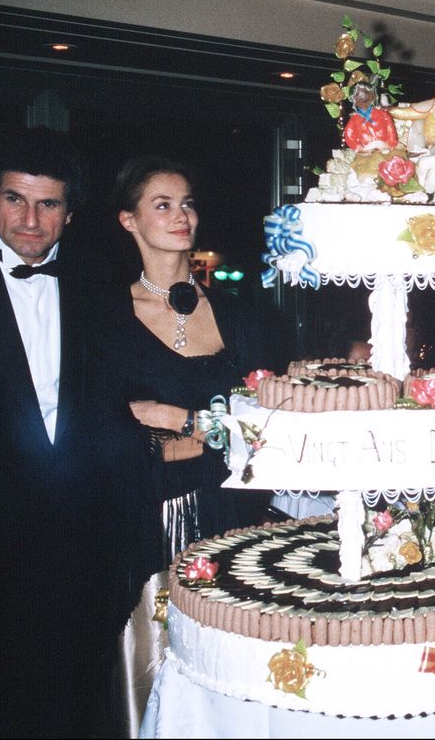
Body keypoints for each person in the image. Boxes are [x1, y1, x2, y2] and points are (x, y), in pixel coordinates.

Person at [0, 129, 147, 737]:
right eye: (15, 200)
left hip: (83, 532)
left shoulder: (97, 279)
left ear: (69, 212)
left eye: (49, 204)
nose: (31, 220)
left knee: (79, 699)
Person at [107, 156, 287, 734]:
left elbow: (266, 422)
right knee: (155, 666)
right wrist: (202, 429)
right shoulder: (105, 316)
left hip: (233, 511)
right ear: (129, 221)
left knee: (232, 672)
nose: (181, 215)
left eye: (186, 203)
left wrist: (178, 420)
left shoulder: (238, 312)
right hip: (145, 520)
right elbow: (99, 421)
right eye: (161, 204)